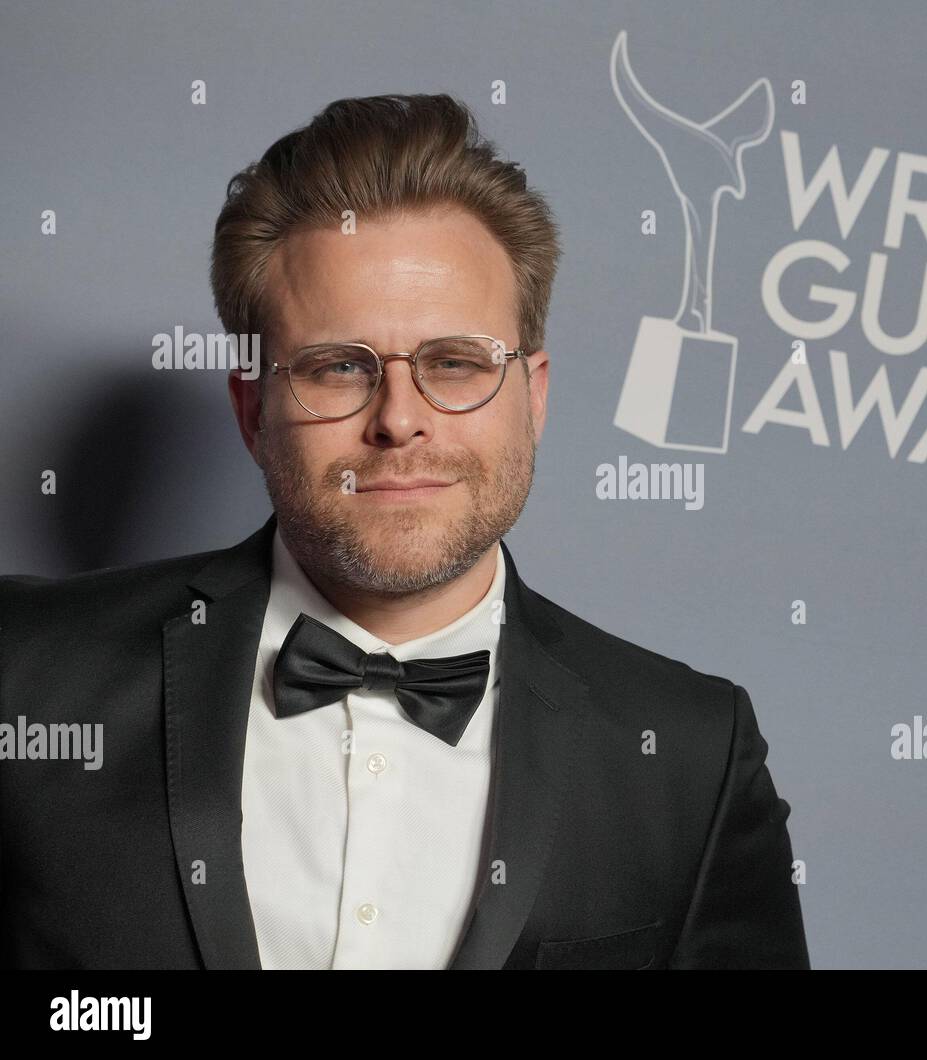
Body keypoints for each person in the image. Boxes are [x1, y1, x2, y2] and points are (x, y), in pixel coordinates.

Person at [0, 94, 809, 970]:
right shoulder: (28, 678)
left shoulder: (689, 758)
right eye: (338, 368)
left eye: (455, 364)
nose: (399, 420)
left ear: (533, 397)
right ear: (252, 411)